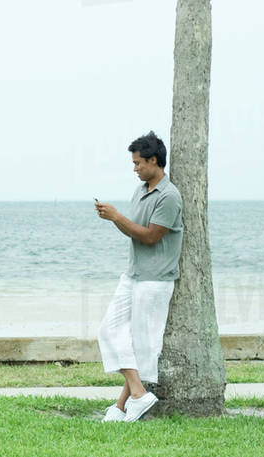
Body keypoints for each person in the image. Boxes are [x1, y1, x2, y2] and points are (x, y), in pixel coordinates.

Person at [93, 131, 184, 422]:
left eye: (137, 163)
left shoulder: (169, 196)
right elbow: (133, 230)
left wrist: (118, 217)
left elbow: (150, 237)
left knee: (143, 345)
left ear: (154, 161)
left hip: (155, 280)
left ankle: (123, 406)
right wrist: (116, 219)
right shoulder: (141, 190)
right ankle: (137, 395)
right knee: (108, 330)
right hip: (133, 274)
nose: (134, 168)